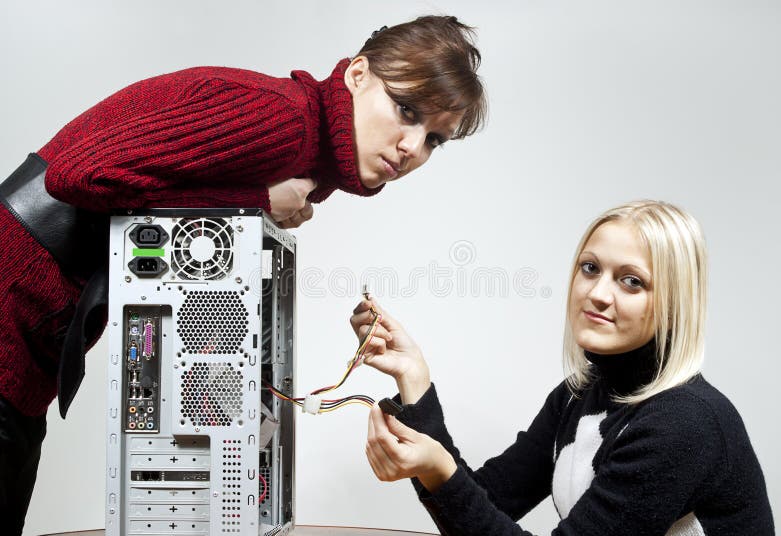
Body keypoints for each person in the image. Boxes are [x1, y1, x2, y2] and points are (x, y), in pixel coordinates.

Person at [0, 15, 486, 532]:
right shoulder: (287, 118)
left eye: (435, 138)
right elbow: (77, 174)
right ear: (358, 74)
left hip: (29, 340)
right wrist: (255, 201)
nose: (412, 147)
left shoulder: (303, 141)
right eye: (405, 110)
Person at [351, 200, 774, 535]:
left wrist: (437, 470)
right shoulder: (577, 395)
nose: (597, 294)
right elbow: (485, 503)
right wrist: (415, 380)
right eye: (590, 268)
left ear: (673, 304)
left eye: (631, 281)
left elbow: (464, 499)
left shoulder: (684, 423)